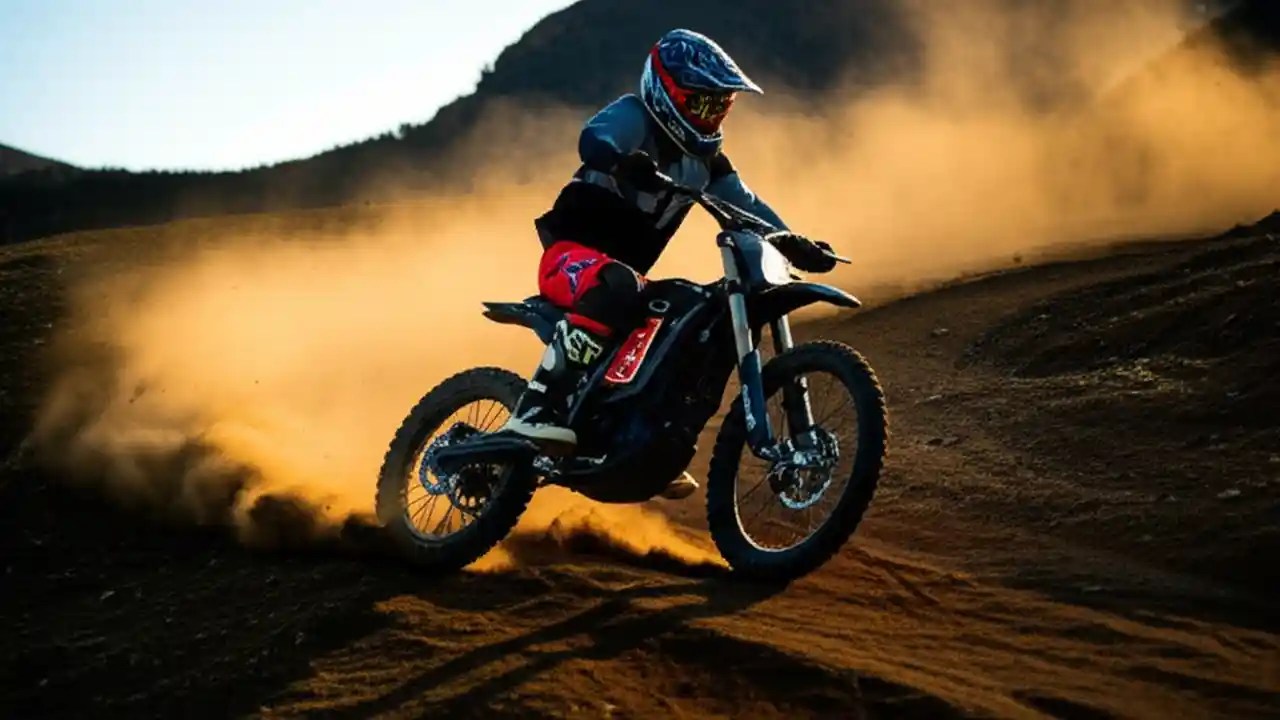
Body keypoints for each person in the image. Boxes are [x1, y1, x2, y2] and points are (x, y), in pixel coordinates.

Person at [498, 28, 834, 498]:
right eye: (701, 103)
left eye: (720, 106)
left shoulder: (708, 164)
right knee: (619, 285)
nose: (711, 115)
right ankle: (537, 406)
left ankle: (644, 438)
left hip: (627, 278)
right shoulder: (634, 116)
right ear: (665, 91)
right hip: (569, 260)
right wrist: (622, 160)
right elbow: (594, 139)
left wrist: (794, 242)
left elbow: (748, 206)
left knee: (682, 315)